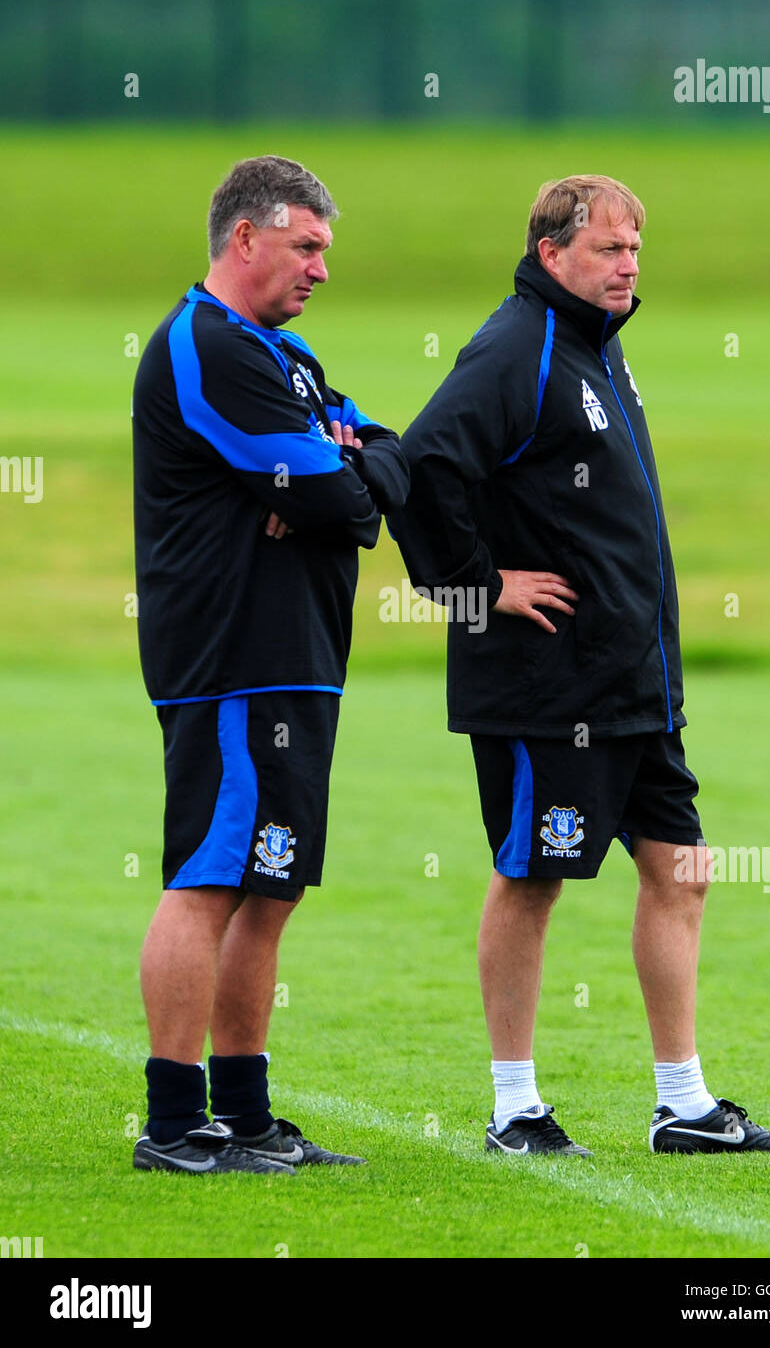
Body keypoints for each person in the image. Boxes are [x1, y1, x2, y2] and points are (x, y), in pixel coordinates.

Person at [389, 175, 770, 1157]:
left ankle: (682, 1103)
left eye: (634, 250)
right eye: (609, 249)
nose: (627, 266)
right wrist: (475, 586)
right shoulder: (514, 350)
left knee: (681, 871)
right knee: (531, 877)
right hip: (548, 687)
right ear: (551, 254)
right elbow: (420, 467)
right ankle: (512, 1107)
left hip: (631, 684)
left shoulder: (596, 350)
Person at [131, 154, 409, 1174]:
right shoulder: (207, 349)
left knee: (270, 883)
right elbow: (340, 497)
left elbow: (377, 457)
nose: (321, 270)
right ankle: (172, 1122)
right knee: (210, 877)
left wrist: (340, 472)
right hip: (231, 655)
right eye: (308, 246)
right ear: (244, 237)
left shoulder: (281, 357)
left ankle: (245, 1116)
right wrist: (330, 482)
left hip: (298, 657)